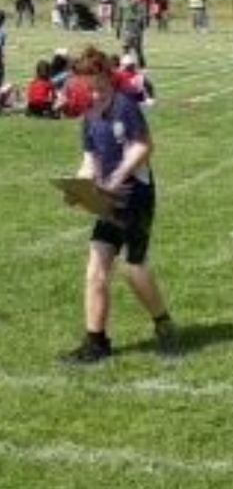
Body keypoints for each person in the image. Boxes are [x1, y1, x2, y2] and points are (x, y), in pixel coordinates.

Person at [60, 46, 178, 364]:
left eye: (92, 81)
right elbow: (89, 161)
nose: (88, 89)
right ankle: (96, 343)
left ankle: (163, 322)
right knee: (95, 271)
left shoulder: (125, 106)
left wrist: (116, 178)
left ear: (104, 74)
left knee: (132, 269)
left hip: (135, 198)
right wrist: (79, 188)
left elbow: (144, 146)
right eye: (82, 82)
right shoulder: (89, 116)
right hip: (107, 202)